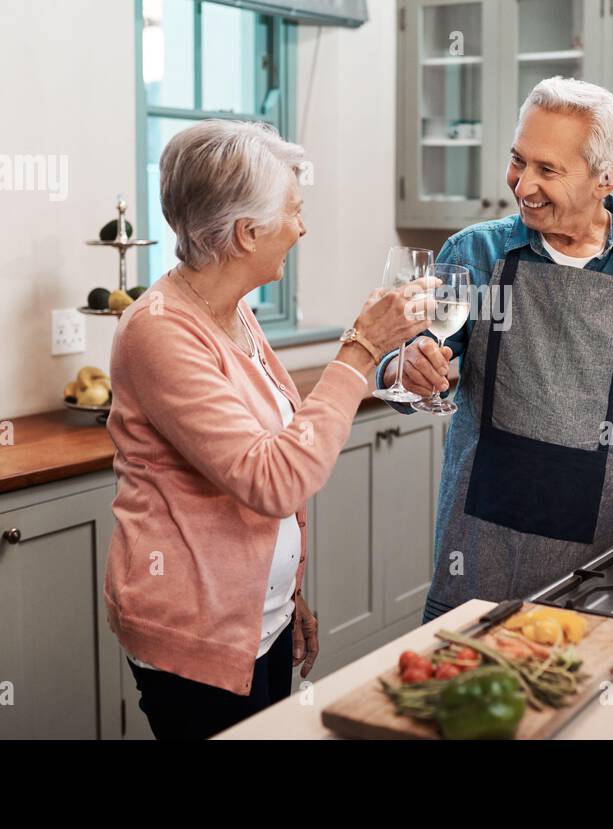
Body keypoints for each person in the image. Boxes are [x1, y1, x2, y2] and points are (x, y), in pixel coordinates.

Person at [105, 119, 432, 738]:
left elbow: (260, 462)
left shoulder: (230, 310)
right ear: (245, 233)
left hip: (257, 621)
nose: (301, 228)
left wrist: (280, 600)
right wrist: (360, 351)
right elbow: (275, 481)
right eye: (292, 212)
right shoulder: (160, 331)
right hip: (192, 633)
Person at [378, 77, 613, 621]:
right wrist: (405, 370)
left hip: (602, 558)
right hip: (480, 550)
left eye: (548, 169)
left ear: (607, 178)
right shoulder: (475, 253)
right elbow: (402, 366)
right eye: (518, 160)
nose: (522, 184)